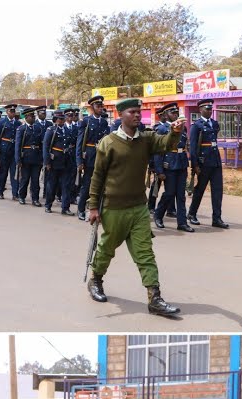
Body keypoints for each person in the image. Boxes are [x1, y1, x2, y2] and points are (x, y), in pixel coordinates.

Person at [86, 97, 189, 316]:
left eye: (138, 112)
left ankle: (154, 298)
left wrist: (176, 131)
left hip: (139, 208)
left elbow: (167, 143)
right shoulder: (109, 143)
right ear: (120, 116)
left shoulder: (146, 139)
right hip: (113, 208)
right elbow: (97, 177)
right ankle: (95, 280)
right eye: (132, 112)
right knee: (106, 249)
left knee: (145, 254)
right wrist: (93, 207)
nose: (136, 115)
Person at [150, 103, 193, 231]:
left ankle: (182, 223)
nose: (175, 114)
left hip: (181, 163)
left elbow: (184, 146)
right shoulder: (162, 129)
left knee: (181, 195)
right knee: (169, 193)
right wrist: (159, 170)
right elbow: (158, 151)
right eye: (172, 112)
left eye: (176, 112)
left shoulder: (182, 128)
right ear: (165, 115)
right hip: (168, 165)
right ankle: (158, 215)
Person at [187, 98, 228, 228]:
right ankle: (192, 214)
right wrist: (195, 165)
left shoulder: (215, 124)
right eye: (207, 109)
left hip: (215, 162)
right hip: (203, 163)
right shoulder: (196, 126)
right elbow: (193, 148)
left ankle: (217, 218)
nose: (209, 111)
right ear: (200, 110)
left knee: (217, 191)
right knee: (200, 190)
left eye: (211, 109)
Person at [43, 110, 74, 214]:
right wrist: (47, 162)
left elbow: (70, 143)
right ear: (55, 120)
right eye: (60, 119)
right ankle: (48, 205)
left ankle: (65, 208)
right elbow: (46, 146)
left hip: (66, 161)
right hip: (54, 161)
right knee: (52, 185)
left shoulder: (67, 130)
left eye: (63, 118)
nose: (62, 120)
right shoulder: (51, 130)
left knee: (66, 186)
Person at [14, 107, 46, 207]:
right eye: (31, 116)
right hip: (26, 158)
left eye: (33, 116)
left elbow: (42, 144)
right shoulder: (21, 129)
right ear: (26, 117)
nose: (33, 118)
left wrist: (42, 158)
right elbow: (18, 145)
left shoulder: (38, 128)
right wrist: (18, 159)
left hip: (36, 158)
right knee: (25, 179)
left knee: (35, 180)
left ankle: (35, 199)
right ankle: (22, 196)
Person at [0, 104, 22, 199]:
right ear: (7, 112)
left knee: (15, 173)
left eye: (14, 111)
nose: (13, 113)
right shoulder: (2, 122)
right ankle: (0, 191)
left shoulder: (18, 123)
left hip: (14, 150)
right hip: (4, 150)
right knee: (3, 172)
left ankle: (15, 193)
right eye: (11, 111)